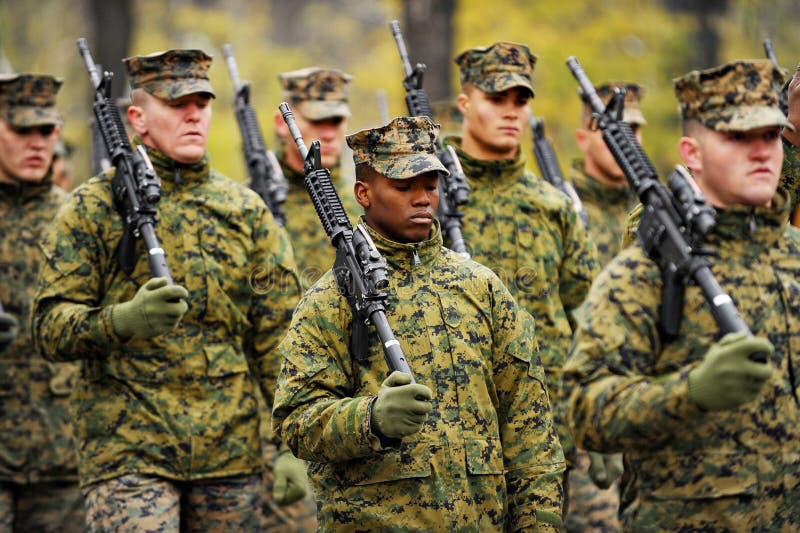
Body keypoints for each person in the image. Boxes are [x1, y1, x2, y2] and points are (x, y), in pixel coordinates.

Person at [32, 48, 306, 531]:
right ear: (138, 117)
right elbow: (50, 327)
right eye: (177, 104)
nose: (194, 114)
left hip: (230, 452)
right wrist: (123, 320)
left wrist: (291, 443)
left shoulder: (245, 210)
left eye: (202, 102)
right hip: (128, 450)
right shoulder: (94, 207)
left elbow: (279, 337)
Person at [272, 115, 566, 531]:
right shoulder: (330, 300)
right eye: (404, 186)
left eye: (430, 185)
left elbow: (529, 428)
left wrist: (540, 525)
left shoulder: (481, 288)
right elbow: (295, 421)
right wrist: (370, 419)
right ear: (364, 194)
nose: (423, 198)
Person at [563, 59, 800, 530]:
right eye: (737, 137)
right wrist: (691, 392)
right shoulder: (646, 269)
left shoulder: (794, 255)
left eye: (772, 136)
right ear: (692, 152)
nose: (761, 153)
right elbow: (586, 408)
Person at [443, 41, 598, 510]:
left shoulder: (552, 207)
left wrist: (596, 429)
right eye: (496, 99)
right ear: (465, 104)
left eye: (521, 101)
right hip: (452, 440)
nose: (512, 113)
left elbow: (588, 320)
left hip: (546, 440)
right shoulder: (424, 202)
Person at [0, 73, 84, 532]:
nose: (37, 144)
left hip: (60, 453)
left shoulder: (77, 218)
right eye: (22, 130)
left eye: (47, 131)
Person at [564, 80, 647, 533]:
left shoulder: (656, 216)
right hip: (585, 425)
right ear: (583, 138)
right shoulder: (565, 211)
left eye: (633, 130)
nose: (624, 139)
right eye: (611, 129)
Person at [273, 67, 360, 290]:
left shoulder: (365, 201)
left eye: (336, 121)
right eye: (317, 121)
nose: (329, 134)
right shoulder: (255, 202)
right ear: (281, 123)